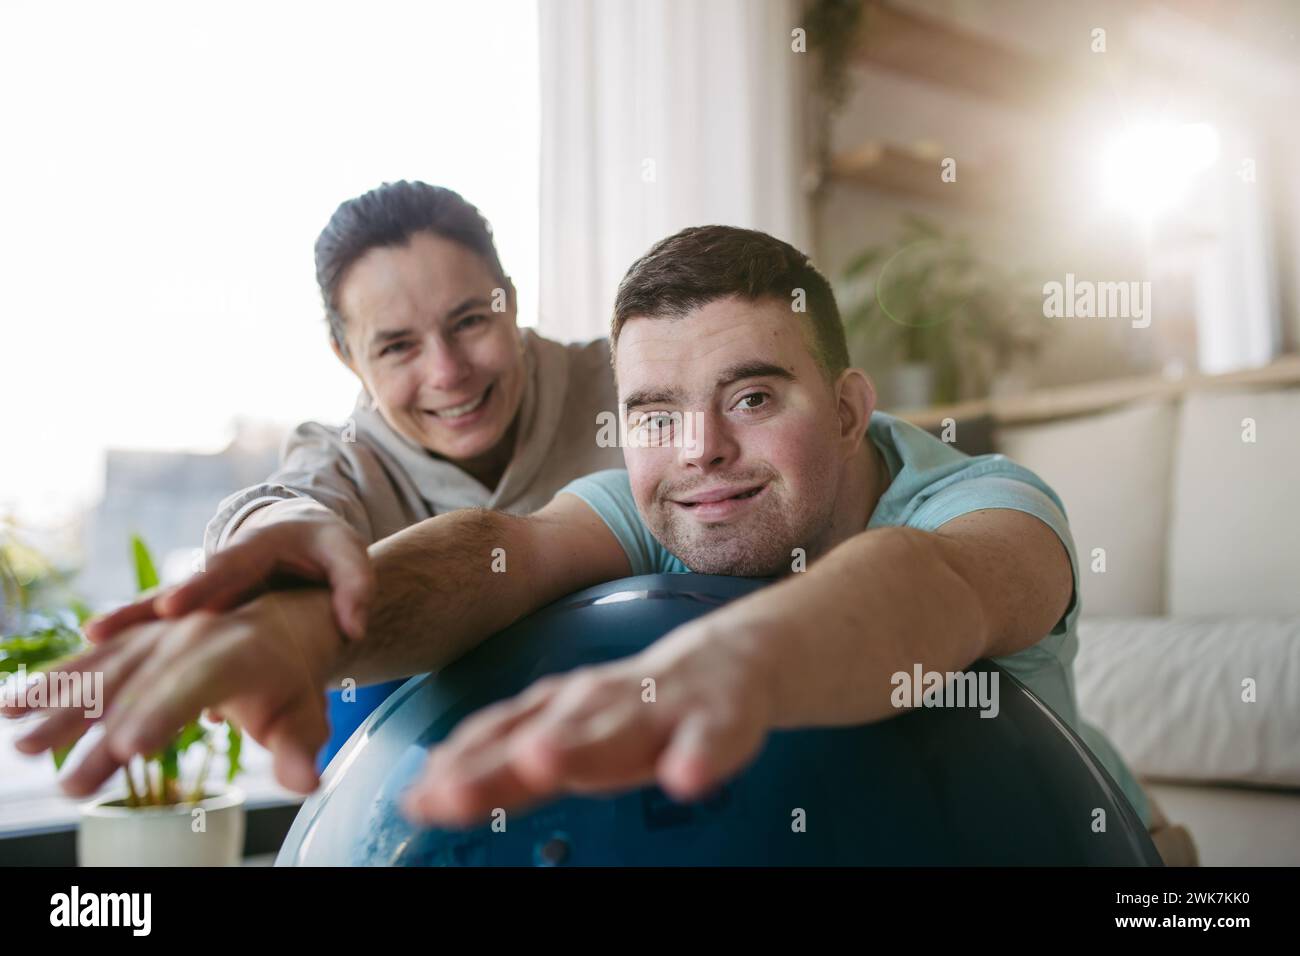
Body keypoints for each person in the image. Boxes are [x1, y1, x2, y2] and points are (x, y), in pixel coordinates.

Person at [9, 225, 1193, 864]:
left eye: (752, 396)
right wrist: (316, 625)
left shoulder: (992, 501)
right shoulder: (658, 504)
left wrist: (749, 657)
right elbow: (499, 551)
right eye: (655, 414)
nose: (701, 453)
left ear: (845, 407)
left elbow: (926, 586)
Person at [84, 180, 623, 645]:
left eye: (470, 322)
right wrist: (280, 530)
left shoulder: (627, 379)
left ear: (510, 300)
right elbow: (292, 498)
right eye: (397, 347)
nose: (446, 372)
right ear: (348, 357)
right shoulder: (344, 456)